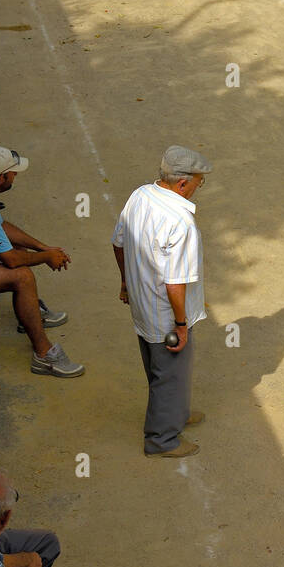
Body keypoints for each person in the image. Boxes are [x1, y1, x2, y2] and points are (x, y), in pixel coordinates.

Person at [0, 137, 84, 379]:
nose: (16, 176)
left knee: (17, 256)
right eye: (13, 173)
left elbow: (0, 226)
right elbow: (11, 260)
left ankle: (29, 312)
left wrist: (42, 247)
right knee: (21, 276)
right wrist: (45, 257)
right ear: (1, 178)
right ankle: (44, 355)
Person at [113, 146, 212, 459]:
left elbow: (118, 242)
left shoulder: (140, 195)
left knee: (169, 371)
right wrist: (181, 324)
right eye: (199, 181)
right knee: (168, 374)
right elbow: (175, 281)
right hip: (166, 314)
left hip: (142, 301)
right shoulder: (181, 223)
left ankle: (177, 413)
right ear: (182, 184)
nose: (199, 186)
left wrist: (126, 281)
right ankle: (162, 439)